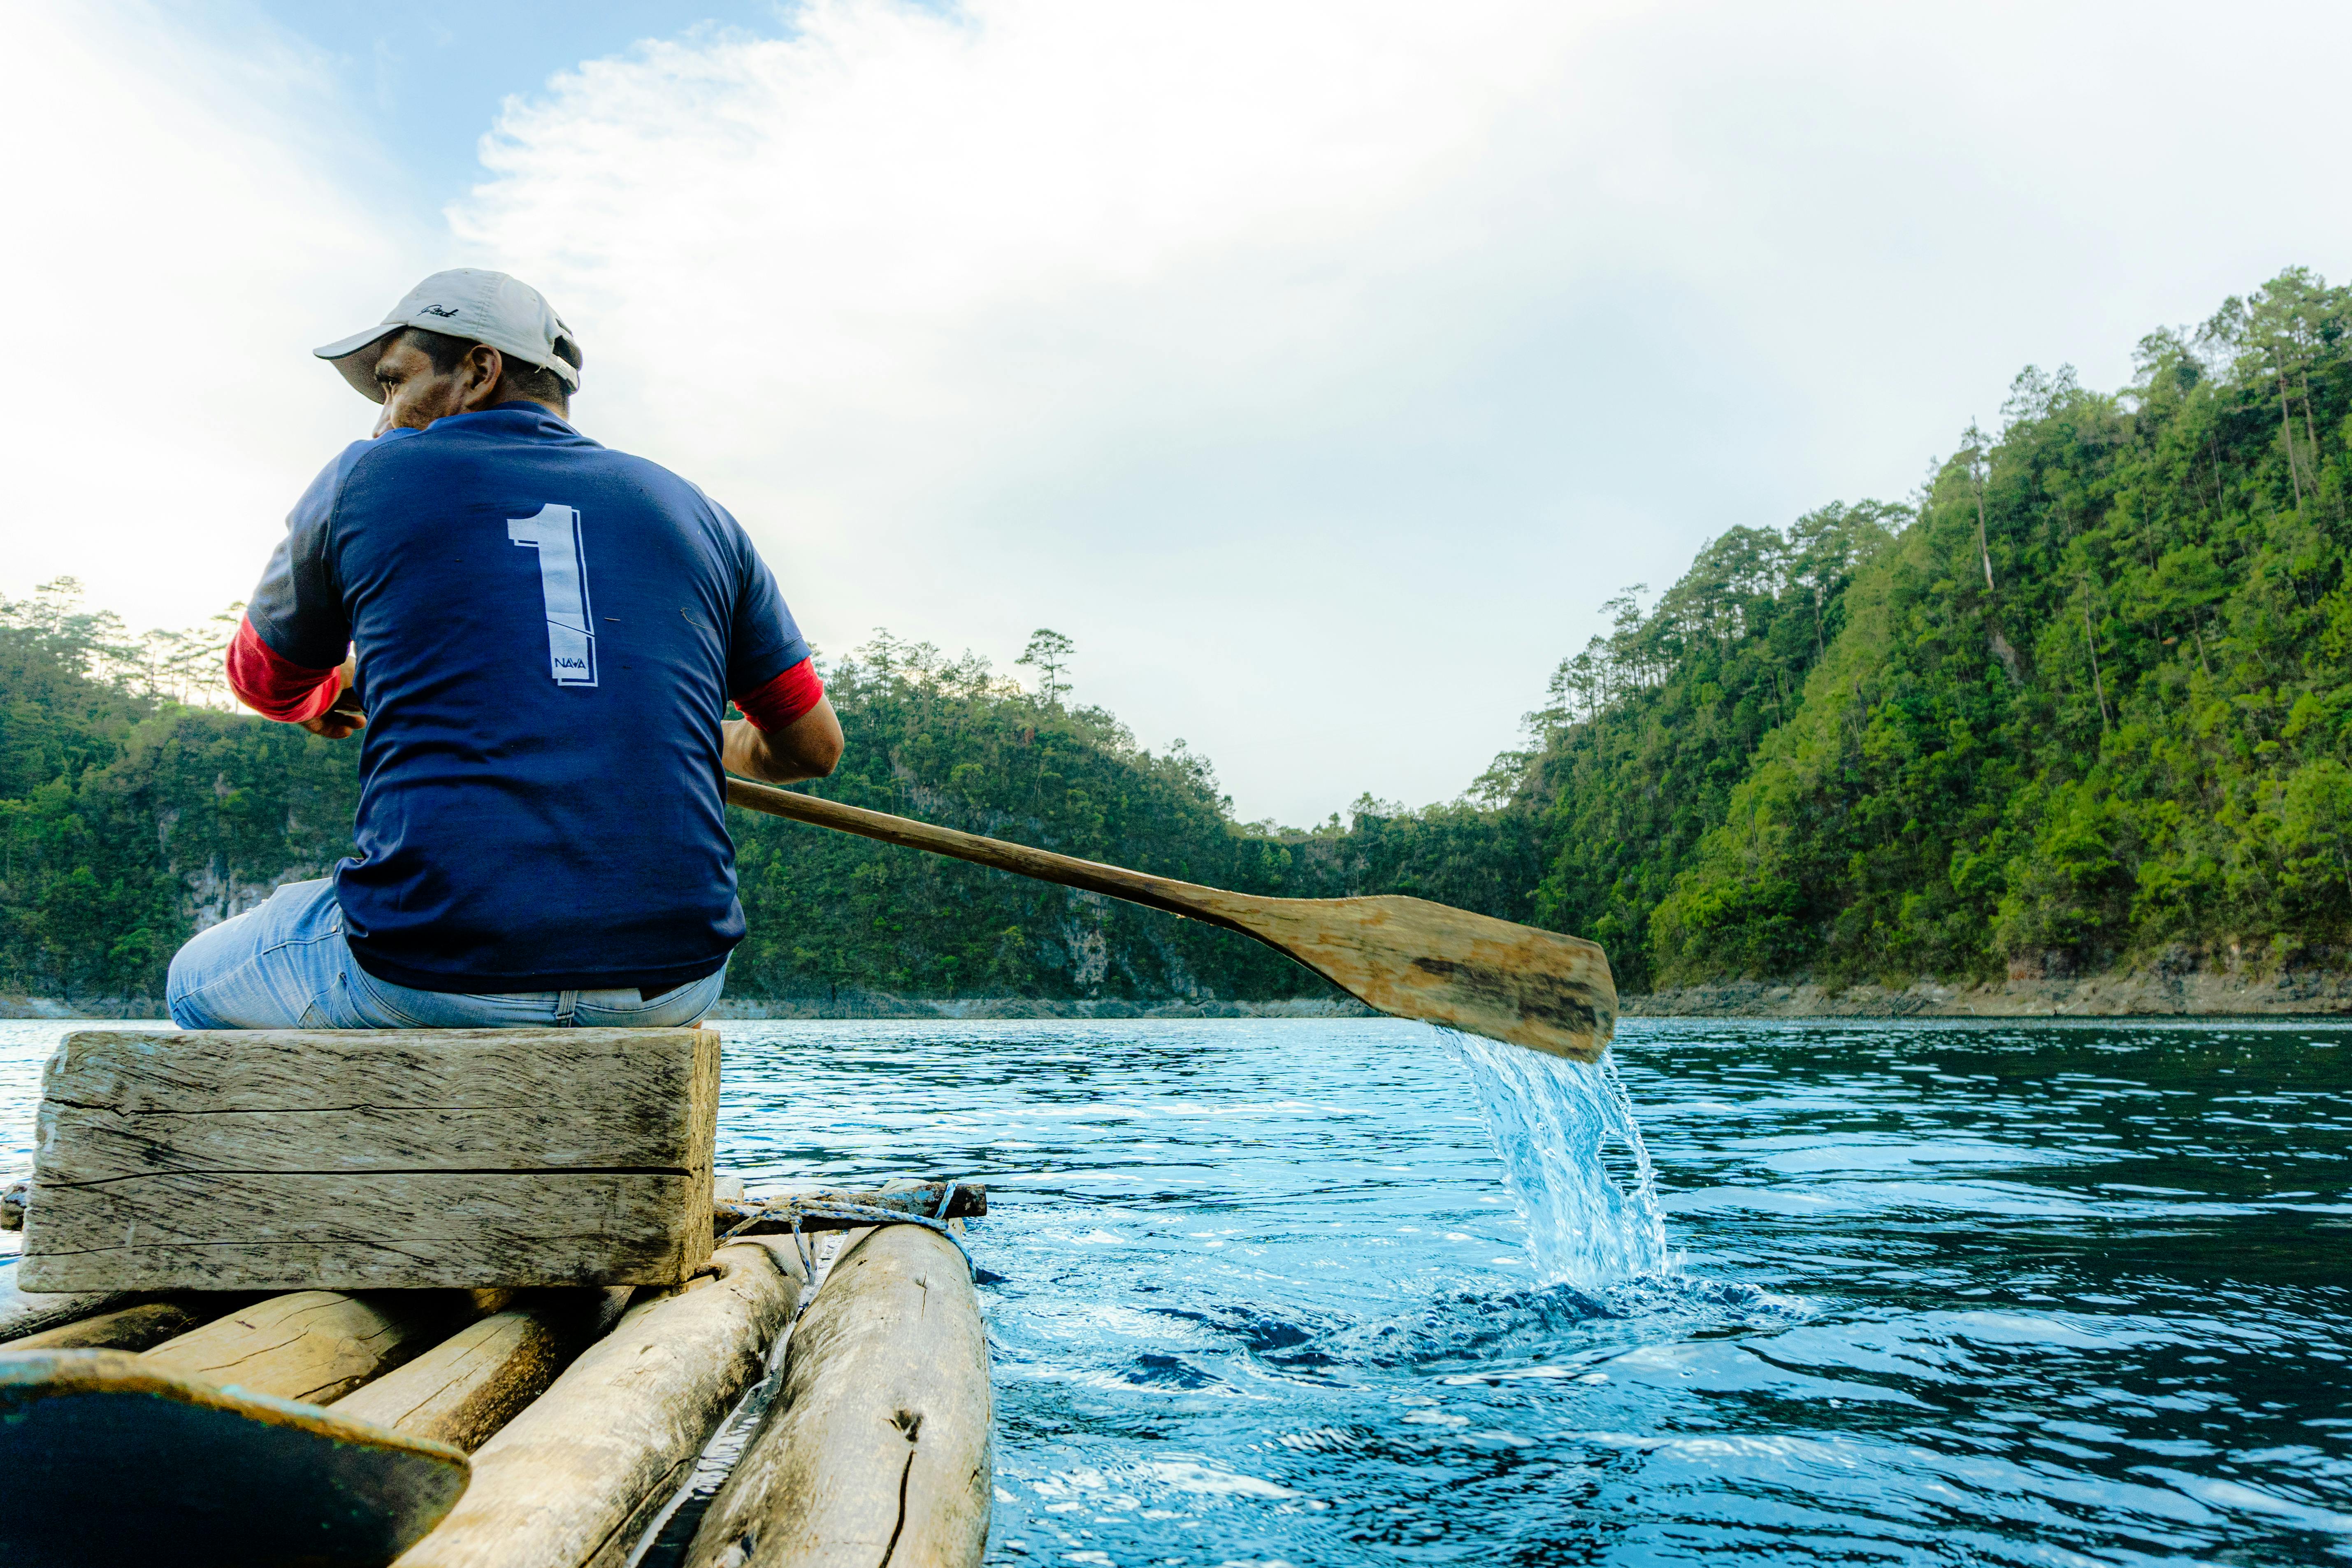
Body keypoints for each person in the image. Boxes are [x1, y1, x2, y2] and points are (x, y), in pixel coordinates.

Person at [165, 268, 842, 1030]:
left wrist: (333, 692)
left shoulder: (365, 473)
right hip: (675, 981)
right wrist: (660, 730)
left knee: (190, 981)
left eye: (395, 382)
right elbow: (810, 748)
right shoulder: (698, 512)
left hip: (425, 970)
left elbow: (266, 683)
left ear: (480, 370)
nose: (386, 418)